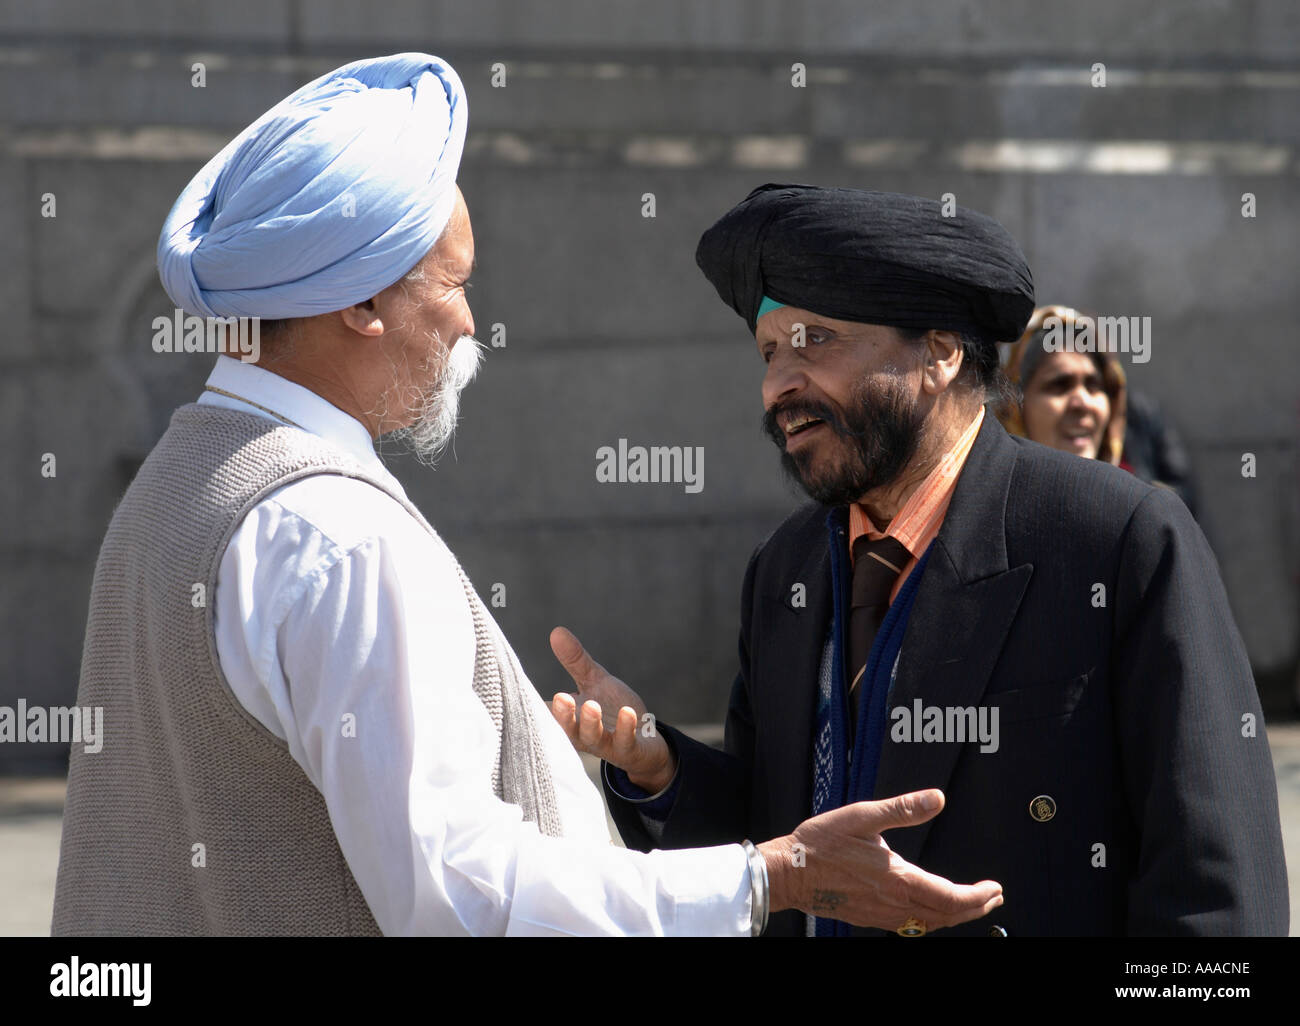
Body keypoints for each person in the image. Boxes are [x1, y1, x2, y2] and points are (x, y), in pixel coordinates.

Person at [50, 58, 1005, 937]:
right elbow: (465, 896)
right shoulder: (338, 537)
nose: (471, 321)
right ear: (361, 304)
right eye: (456, 283)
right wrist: (774, 876)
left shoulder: (178, 484)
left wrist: (661, 771)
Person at [550, 183, 1289, 937]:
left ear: (937, 352)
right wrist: (659, 770)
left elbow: (1216, 895)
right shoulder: (785, 571)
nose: (779, 385)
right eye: (770, 351)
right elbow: (777, 833)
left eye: (816, 341)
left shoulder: (1115, 538)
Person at [997, 305, 1129, 465]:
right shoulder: (976, 489)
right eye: (1059, 385)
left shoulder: (1137, 490)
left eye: (1093, 385)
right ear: (1010, 405)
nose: (1083, 403)